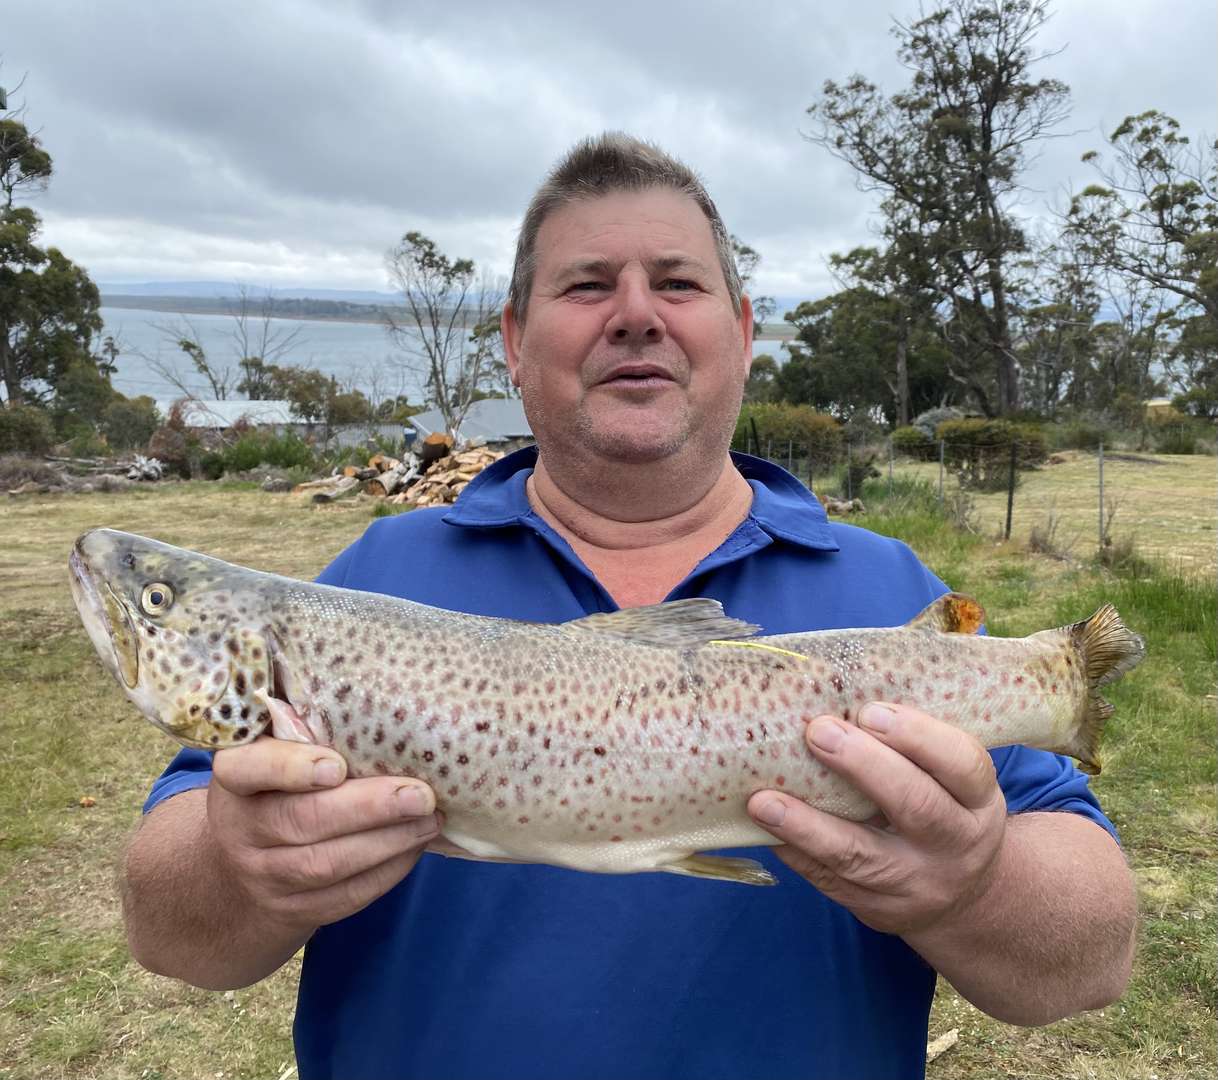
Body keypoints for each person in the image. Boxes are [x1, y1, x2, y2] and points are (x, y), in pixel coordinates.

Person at [122, 134, 1136, 1080]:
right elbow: (170, 935)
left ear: (741, 335)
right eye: (588, 284)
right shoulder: (364, 586)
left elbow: (1089, 962)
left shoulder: (890, 597)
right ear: (516, 342)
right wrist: (237, 867)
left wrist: (975, 885)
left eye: (679, 282)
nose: (638, 313)